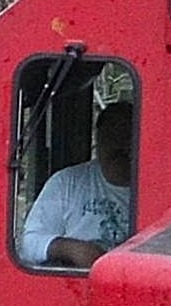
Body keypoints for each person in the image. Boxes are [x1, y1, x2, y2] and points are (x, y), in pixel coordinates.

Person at [23, 96, 138, 268]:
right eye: (110, 136)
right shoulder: (66, 183)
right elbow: (29, 244)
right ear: (97, 140)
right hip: (75, 285)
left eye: (126, 137)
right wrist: (71, 249)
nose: (118, 146)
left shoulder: (159, 191)